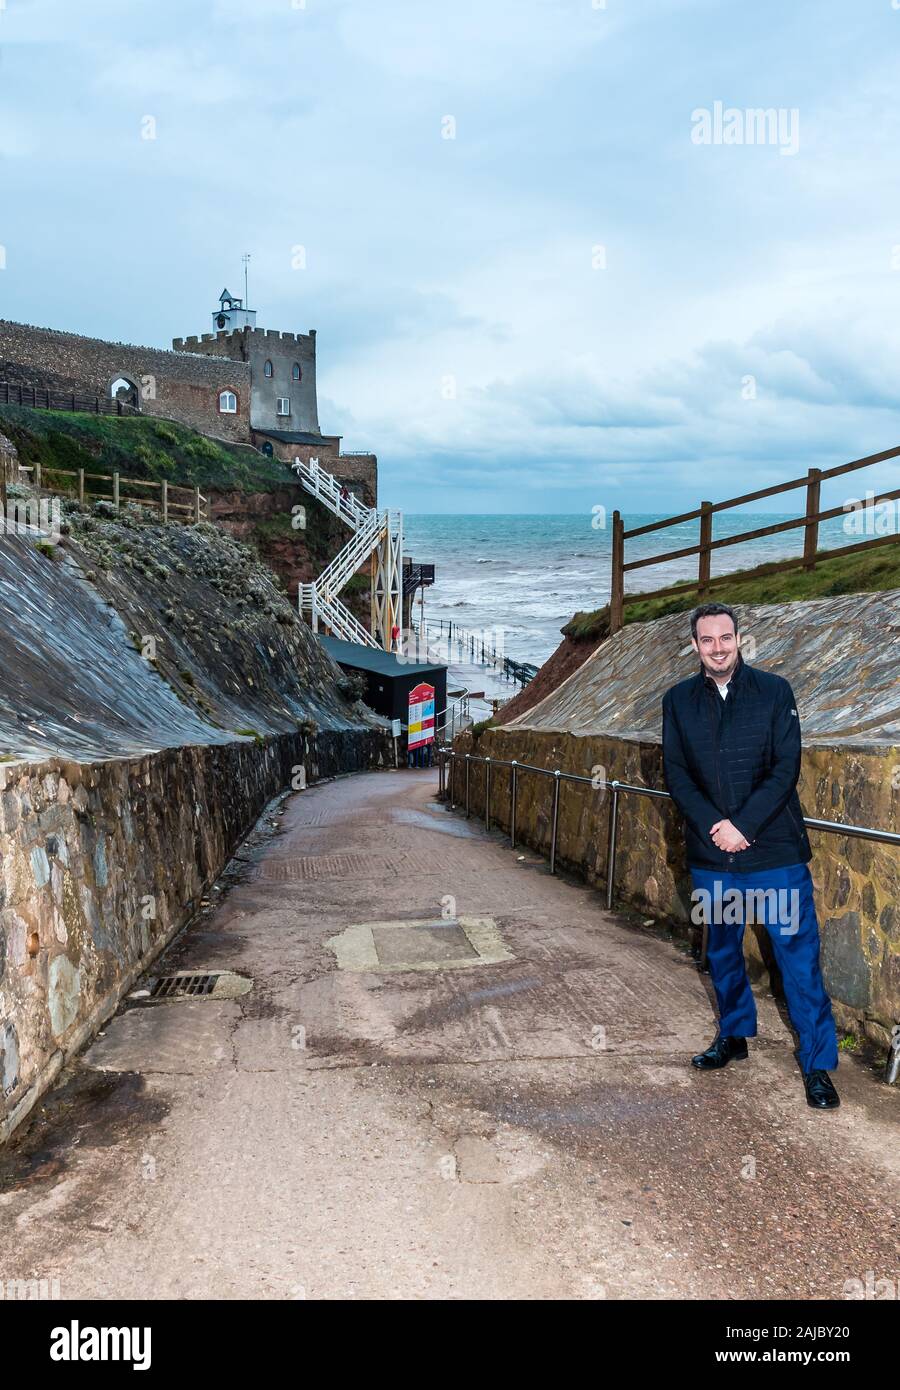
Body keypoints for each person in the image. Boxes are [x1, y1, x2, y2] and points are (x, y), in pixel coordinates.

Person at [661, 602, 840, 1110]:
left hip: (775, 856)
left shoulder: (775, 691)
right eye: (708, 640)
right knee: (721, 953)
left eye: (726, 638)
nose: (718, 648)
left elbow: (786, 768)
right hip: (713, 857)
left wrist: (744, 825)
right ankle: (735, 1035)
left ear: (740, 639)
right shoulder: (677, 701)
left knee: (799, 964)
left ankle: (818, 1066)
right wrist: (716, 829)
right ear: (695, 646)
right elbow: (677, 774)